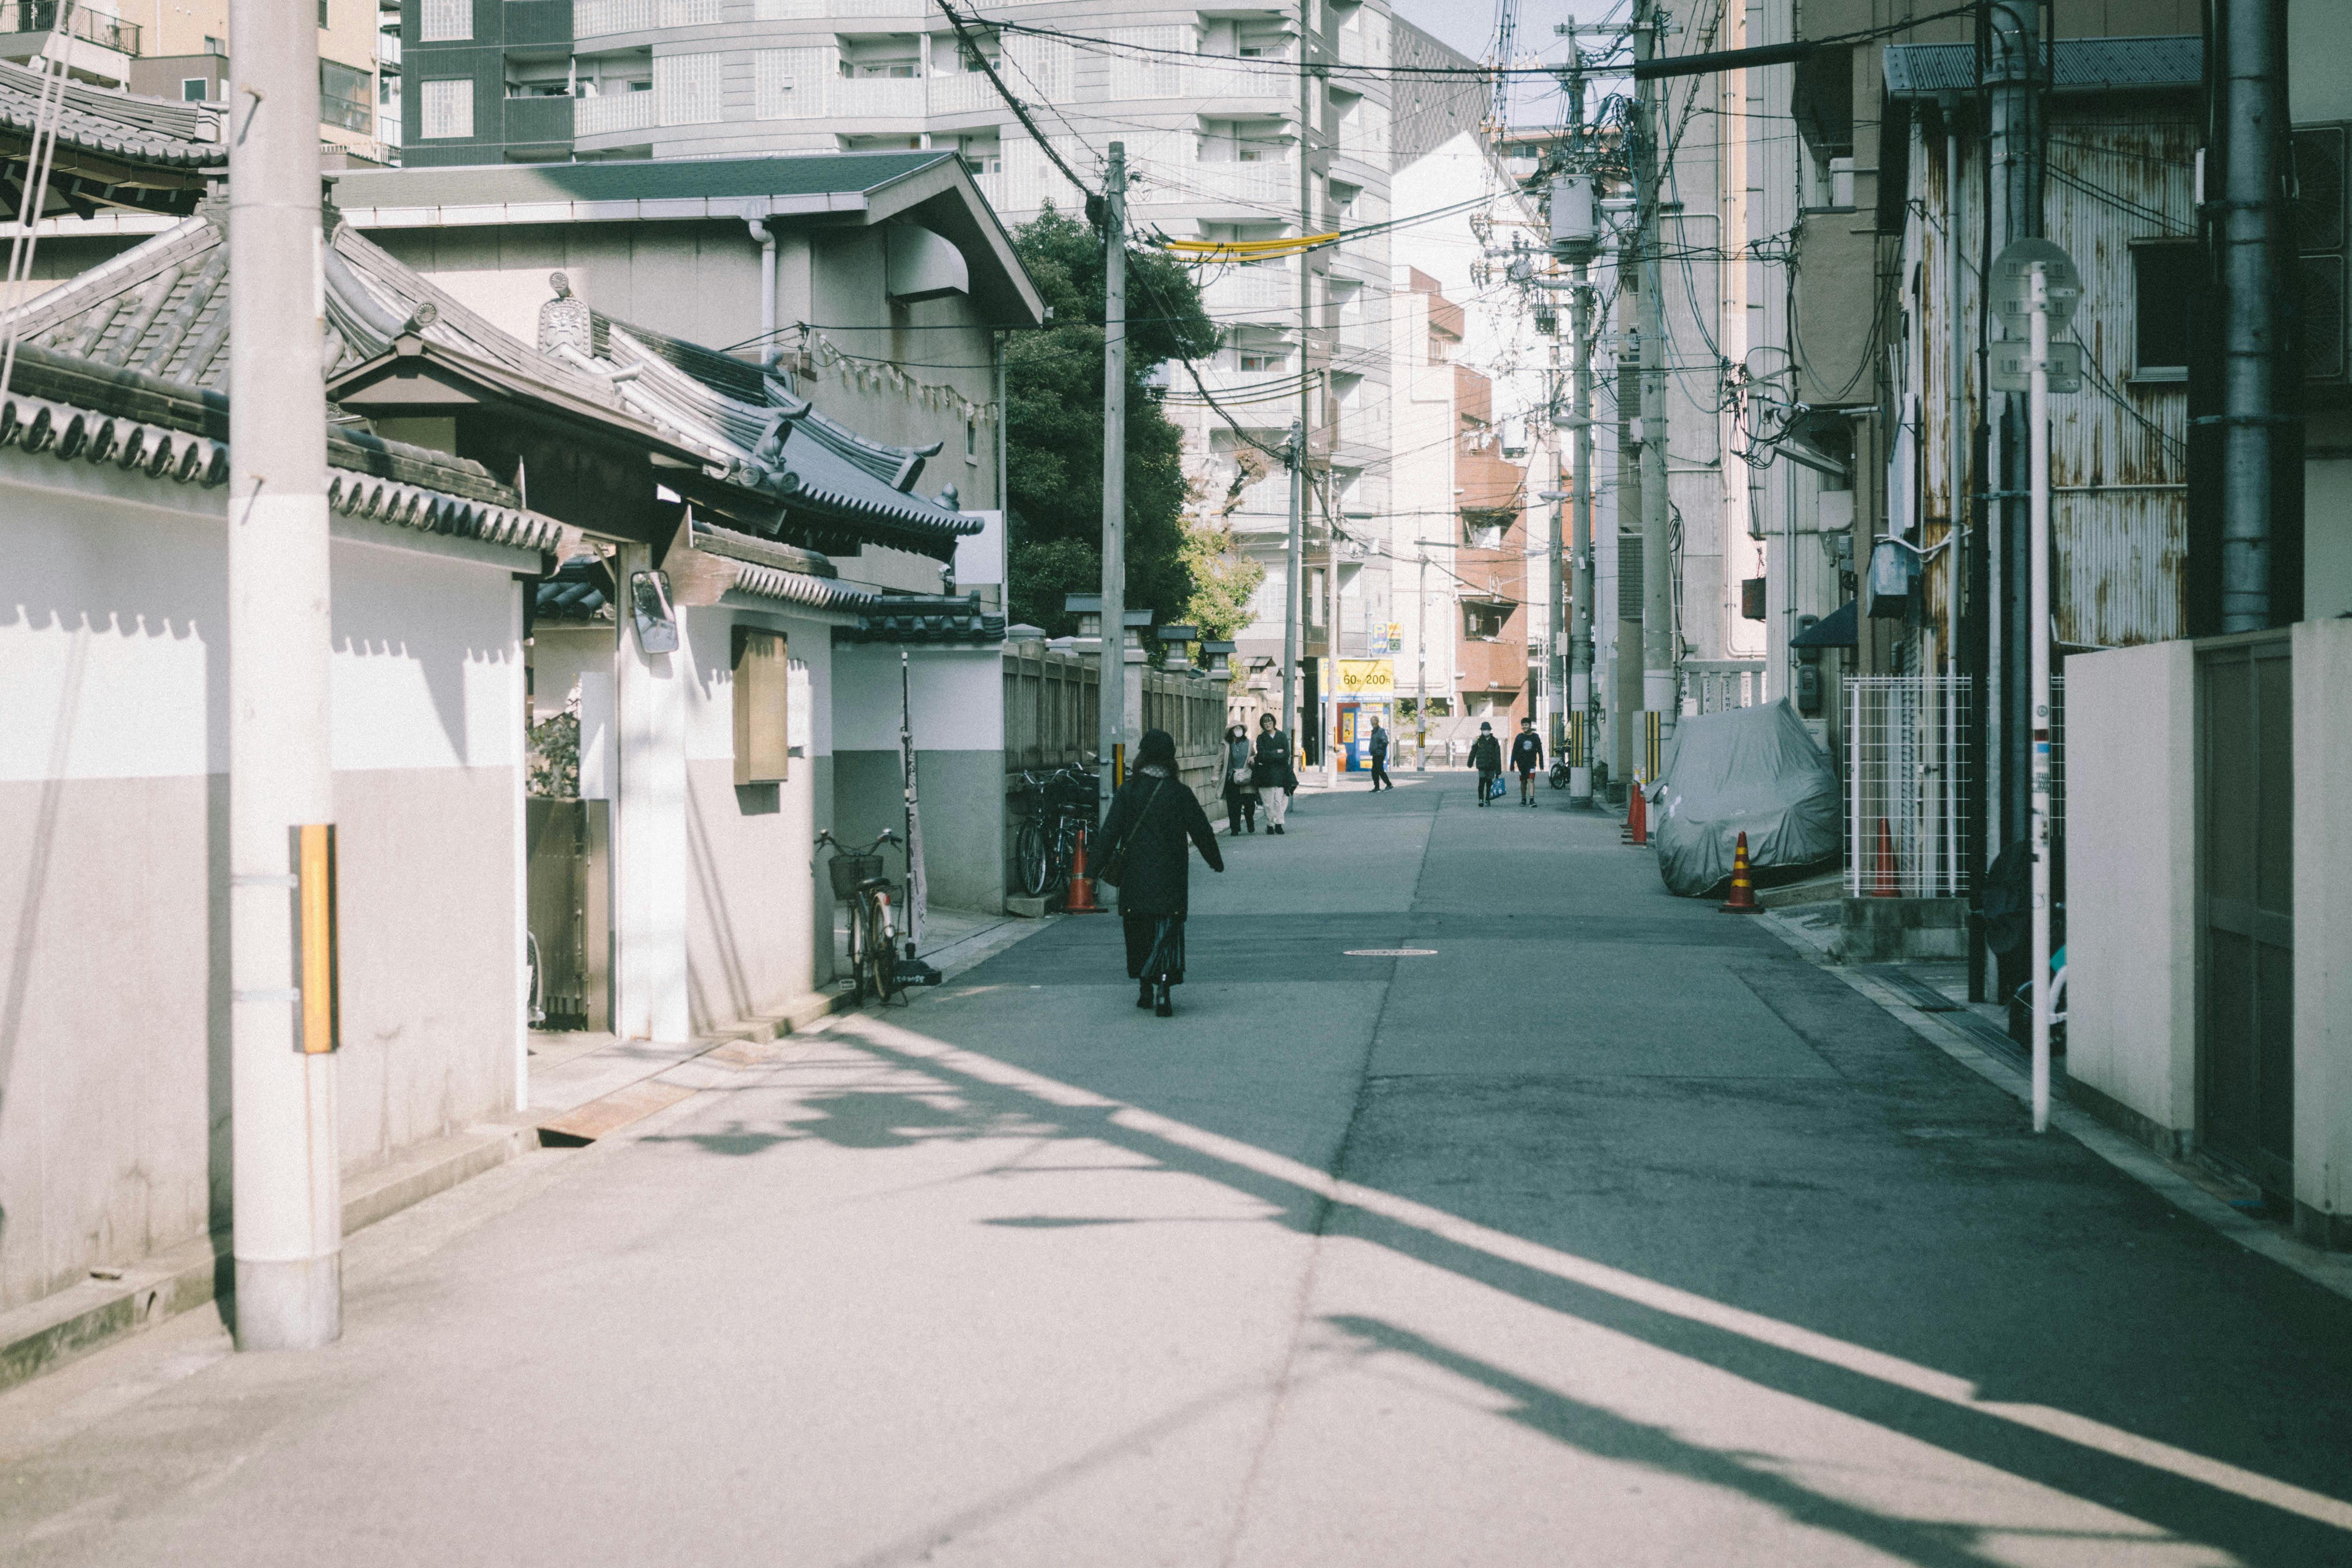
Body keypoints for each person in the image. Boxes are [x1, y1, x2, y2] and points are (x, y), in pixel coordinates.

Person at [1097, 728, 1224, 1017]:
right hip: (1171, 877)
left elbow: (1109, 834)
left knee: (1139, 929)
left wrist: (1091, 871)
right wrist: (1215, 860)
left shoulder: (1127, 792)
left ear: (1141, 757)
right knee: (1168, 931)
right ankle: (1164, 988)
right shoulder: (1180, 793)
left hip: (1135, 877)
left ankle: (1144, 987)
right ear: (1171, 760)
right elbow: (1202, 831)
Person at [1252, 712, 1297, 834]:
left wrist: (1271, 754)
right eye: (1265, 722)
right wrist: (1277, 752)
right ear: (1263, 724)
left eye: (1270, 722)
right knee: (1268, 803)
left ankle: (1279, 824)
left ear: (1274, 722)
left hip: (1281, 774)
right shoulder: (1261, 738)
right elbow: (1262, 755)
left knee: (1280, 801)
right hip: (1266, 775)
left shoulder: (1282, 736)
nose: (1268, 724)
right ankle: (1270, 825)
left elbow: (1286, 754)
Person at [1220, 722, 1258, 834]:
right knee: (1233, 805)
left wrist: (1253, 757)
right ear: (1231, 732)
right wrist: (1215, 777)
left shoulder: (1250, 743)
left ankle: (1250, 822)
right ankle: (1235, 828)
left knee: (1249, 803)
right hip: (1232, 777)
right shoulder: (1226, 745)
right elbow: (1220, 761)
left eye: (1240, 728)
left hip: (1247, 777)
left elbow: (1255, 755)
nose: (1238, 731)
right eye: (1236, 729)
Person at [1510, 715, 1546, 807]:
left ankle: (1532, 800)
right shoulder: (1519, 737)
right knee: (1523, 781)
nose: (1524, 727)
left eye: (1526, 725)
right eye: (1523, 725)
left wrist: (1541, 763)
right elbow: (1514, 751)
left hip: (1532, 763)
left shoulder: (1536, 737)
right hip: (1521, 764)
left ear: (1530, 726)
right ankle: (1523, 799)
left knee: (1531, 780)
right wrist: (1512, 764)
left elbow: (1540, 751)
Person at [1468, 721, 1502, 807]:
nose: (1486, 731)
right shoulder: (1478, 740)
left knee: (1489, 783)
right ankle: (1481, 799)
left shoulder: (1494, 741)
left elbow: (1498, 755)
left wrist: (1498, 770)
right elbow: (1473, 752)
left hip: (1492, 766)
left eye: (1487, 730)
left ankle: (1487, 799)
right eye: (1484, 730)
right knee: (1482, 782)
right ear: (1482, 730)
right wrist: (1470, 762)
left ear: (1490, 730)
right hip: (1482, 765)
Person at [1367, 718, 1392, 792]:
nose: (1372, 724)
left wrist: (1377, 748)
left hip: (1380, 754)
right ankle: (1377, 787)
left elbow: (1385, 742)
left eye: (1374, 723)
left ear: (1377, 722)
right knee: (1375, 771)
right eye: (1372, 723)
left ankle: (1388, 784)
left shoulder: (1381, 731)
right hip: (1375, 754)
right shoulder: (1374, 731)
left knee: (1379, 769)